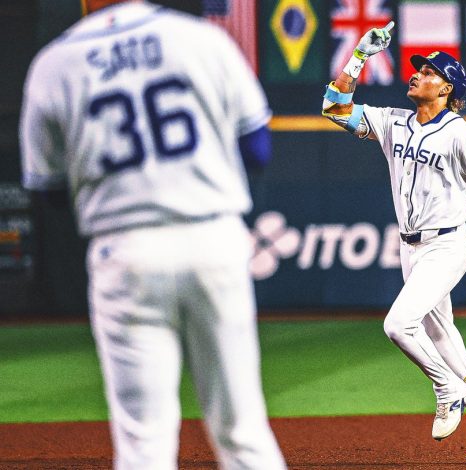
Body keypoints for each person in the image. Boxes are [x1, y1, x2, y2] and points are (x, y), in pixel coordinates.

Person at [19, 1, 286, 468]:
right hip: (213, 238)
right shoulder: (201, 38)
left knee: (144, 442)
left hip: (124, 249)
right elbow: (258, 148)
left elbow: (48, 192)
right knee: (243, 430)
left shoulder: (54, 63)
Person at [321, 23, 466, 464]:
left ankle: (448, 389)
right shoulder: (392, 122)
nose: (417, 74)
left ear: (446, 89)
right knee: (441, 333)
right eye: (418, 69)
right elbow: (334, 107)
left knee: (398, 325)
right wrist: (358, 57)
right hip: (411, 248)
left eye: (428, 72)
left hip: (447, 246)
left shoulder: (461, 133)